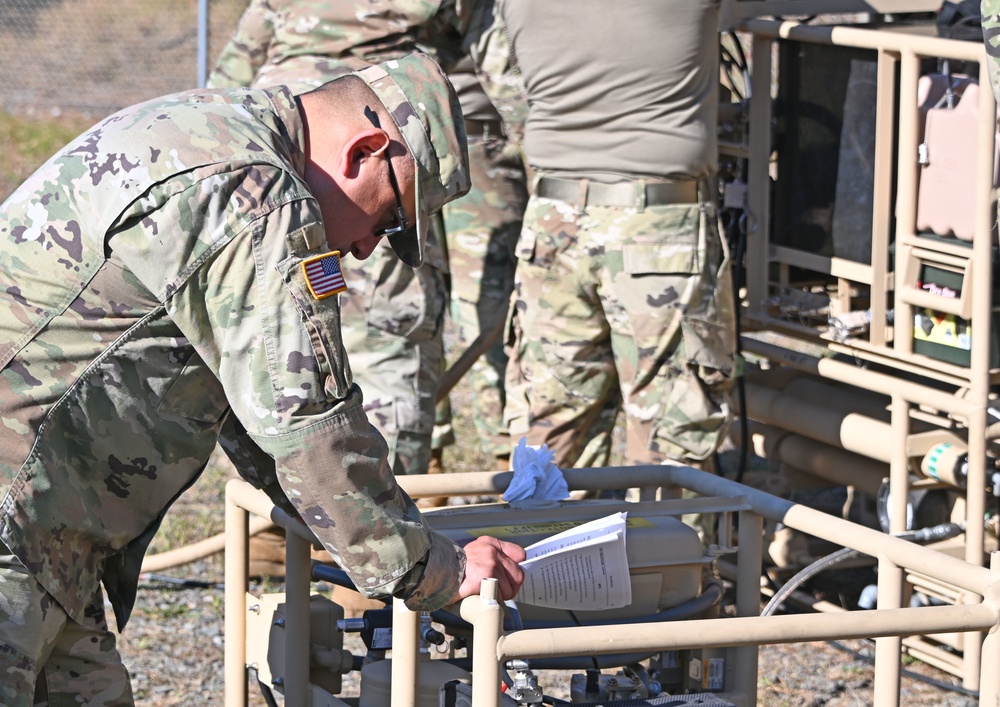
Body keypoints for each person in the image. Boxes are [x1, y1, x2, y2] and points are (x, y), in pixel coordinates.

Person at [0, 53, 525, 705]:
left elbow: (258, 410)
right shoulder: (256, 192)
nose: (367, 247)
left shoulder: (222, 130)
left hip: (49, 536)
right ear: (365, 150)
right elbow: (306, 421)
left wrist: (375, 527)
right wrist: (439, 570)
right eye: (388, 219)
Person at [209, 0, 528, 484]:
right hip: (376, 149)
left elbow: (234, 65)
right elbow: (506, 68)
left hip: (273, 148)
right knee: (390, 343)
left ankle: (279, 537)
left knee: (274, 345)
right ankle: (384, 529)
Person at [471, 0, 737, 474]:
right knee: (670, 433)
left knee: (548, 423)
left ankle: (540, 545)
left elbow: (497, 70)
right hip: (659, 225)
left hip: (554, 218)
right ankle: (673, 548)